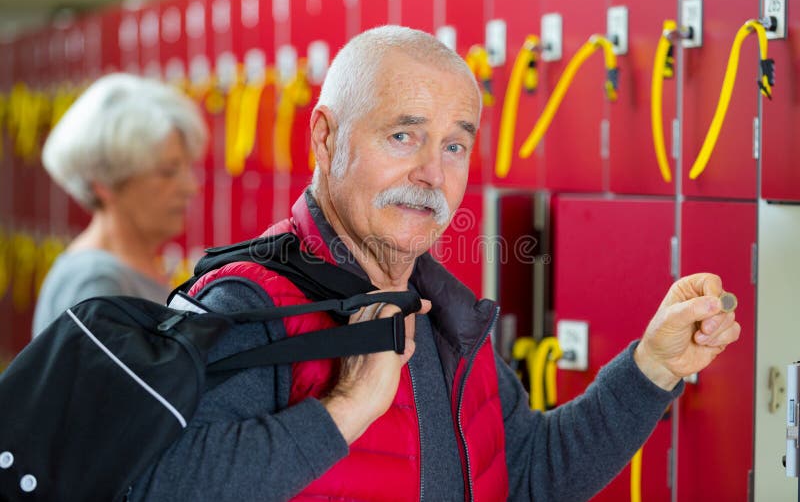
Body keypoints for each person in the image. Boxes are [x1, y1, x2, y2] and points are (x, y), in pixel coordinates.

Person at [131, 26, 740, 501]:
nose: (432, 173)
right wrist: (347, 407)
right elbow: (155, 485)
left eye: (454, 145)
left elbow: (528, 473)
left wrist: (654, 367)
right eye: (404, 135)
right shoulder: (248, 307)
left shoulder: (444, 314)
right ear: (325, 137)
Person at [32, 73, 207, 337]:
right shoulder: (96, 285)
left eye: (186, 168)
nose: (190, 187)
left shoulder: (127, 271)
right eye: (168, 172)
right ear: (105, 182)